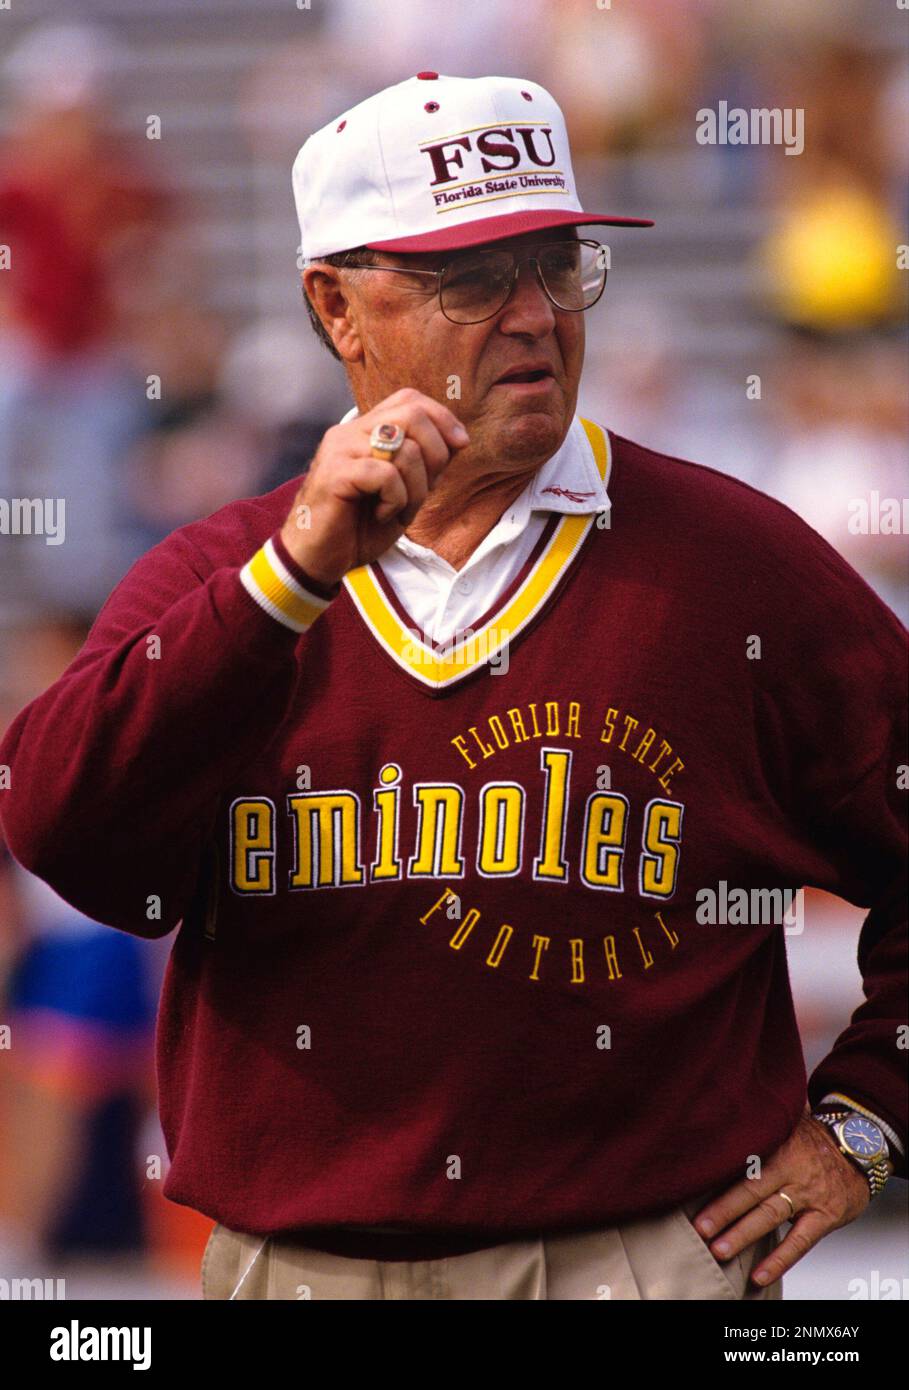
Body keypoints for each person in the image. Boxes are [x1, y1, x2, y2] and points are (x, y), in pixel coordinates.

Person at [0, 73, 905, 1302]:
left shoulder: (737, 567)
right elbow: (66, 829)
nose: (534, 316)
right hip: (296, 1268)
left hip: (638, 1261)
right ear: (336, 307)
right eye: (474, 278)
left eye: (557, 264)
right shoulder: (224, 576)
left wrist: (865, 1119)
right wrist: (287, 584)